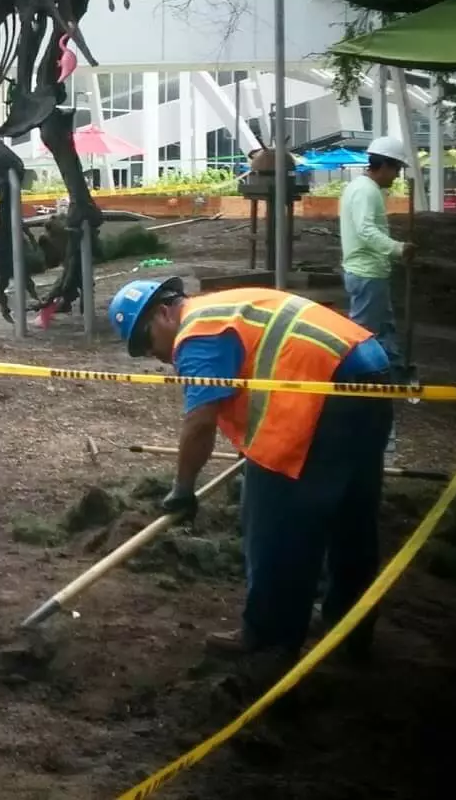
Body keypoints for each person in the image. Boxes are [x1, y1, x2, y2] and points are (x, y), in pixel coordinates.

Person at [108, 278, 393, 670]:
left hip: (323, 391)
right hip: (368, 372)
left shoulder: (198, 332)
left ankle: (270, 635)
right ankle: (350, 627)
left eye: (145, 342)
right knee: (352, 516)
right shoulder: (224, 307)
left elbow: (199, 424)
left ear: (162, 313)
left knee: (272, 518)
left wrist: (183, 489)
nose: (155, 357)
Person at [338, 136, 415, 382]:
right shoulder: (365, 191)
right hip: (366, 272)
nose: (396, 176)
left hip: (372, 271)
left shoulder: (365, 189)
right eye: (397, 169)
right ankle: (351, 379)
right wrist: (398, 248)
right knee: (362, 333)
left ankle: (392, 373)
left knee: (384, 328)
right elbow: (366, 229)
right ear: (385, 166)